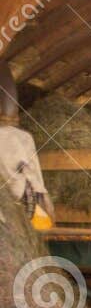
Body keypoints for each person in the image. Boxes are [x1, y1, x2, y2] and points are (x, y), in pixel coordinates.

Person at [0, 65, 53, 229]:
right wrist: (45, 200)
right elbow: (32, 173)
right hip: (20, 200)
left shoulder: (20, 137)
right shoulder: (23, 137)